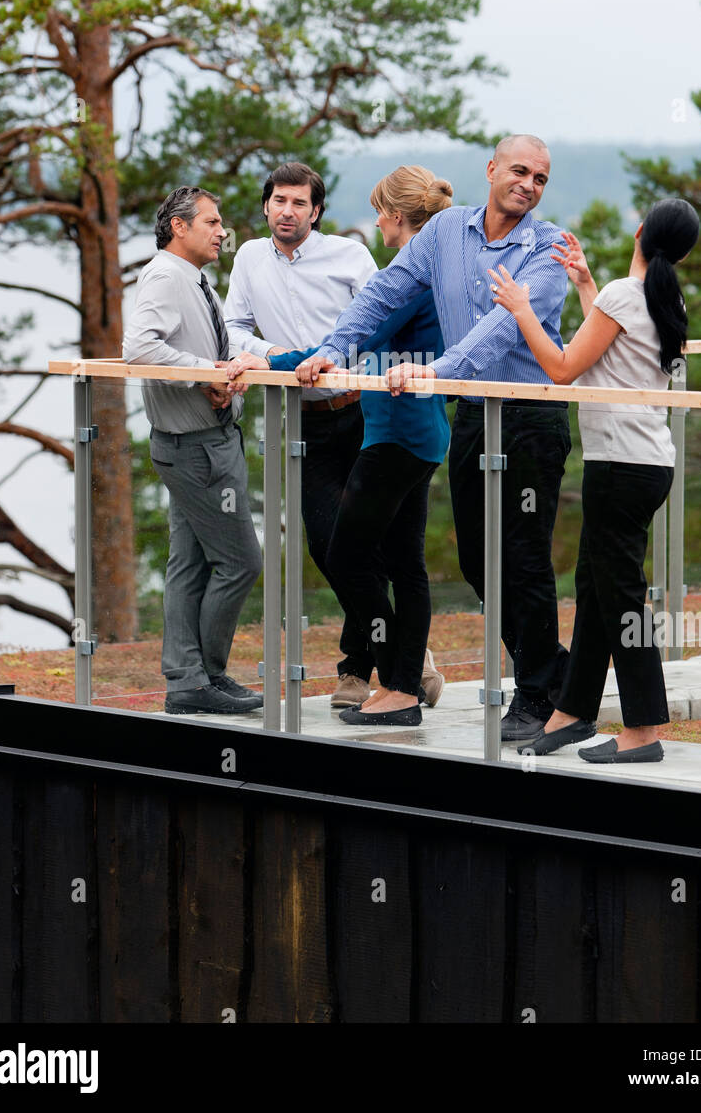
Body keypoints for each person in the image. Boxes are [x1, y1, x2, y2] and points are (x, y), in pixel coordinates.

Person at [294, 135, 572, 740]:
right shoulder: (446, 233)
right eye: (519, 171)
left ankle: (535, 694)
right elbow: (383, 293)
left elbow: (500, 332)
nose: (528, 184)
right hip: (473, 416)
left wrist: (436, 371)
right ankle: (552, 675)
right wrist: (332, 349)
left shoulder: (548, 248)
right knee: (477, 562)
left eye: (541, 179)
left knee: (522, 560)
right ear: (492, 169)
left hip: (528, 420)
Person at [229, 167, 452, 724]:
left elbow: (353, 341)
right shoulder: (425, 267)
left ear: (398, 217)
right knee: (402, 562)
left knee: (350, 553)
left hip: (393, 431)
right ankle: (402, 682)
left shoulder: (406, 274)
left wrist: (273, 362)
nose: (374, 221)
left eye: (380, 211)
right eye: (277, 200)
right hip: (405, 429)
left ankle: (395, 676)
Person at [486, 197, 701, 762]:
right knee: (597, 586)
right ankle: (571, 711)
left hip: (620, 467)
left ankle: (644, 729)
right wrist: (585, 284)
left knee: (621, 595)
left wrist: (520, 308)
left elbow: (561, 370)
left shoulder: (625, 296)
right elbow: (613, 346)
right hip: (646, 463)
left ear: (638, 231)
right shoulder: (660, 297)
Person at [223, 162, 384, 709]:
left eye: (298, 203)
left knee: (362, 541)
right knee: (325, 543)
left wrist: (327, 359)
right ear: (266, 206)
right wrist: (274, 358)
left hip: (363, 412)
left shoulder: (351, 257)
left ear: (316, 212)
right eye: (278, 201)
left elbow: (382, 324)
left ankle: (358, 670)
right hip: (305, 420)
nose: (287, 211)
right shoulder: (247, 257)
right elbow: (234, 329)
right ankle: (403, 647)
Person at [123, 186, 263, 716]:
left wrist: (223, 372)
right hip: (197, 449)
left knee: (189, 565)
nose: (222, 230)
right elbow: (139, 348)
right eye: (212, 221)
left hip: (200, 442)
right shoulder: (165, 275)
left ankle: (190, 680)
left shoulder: (193, 278)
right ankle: (202, 676)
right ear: (179, 227)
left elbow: (192, 352)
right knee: (240, 561)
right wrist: (207, 374)